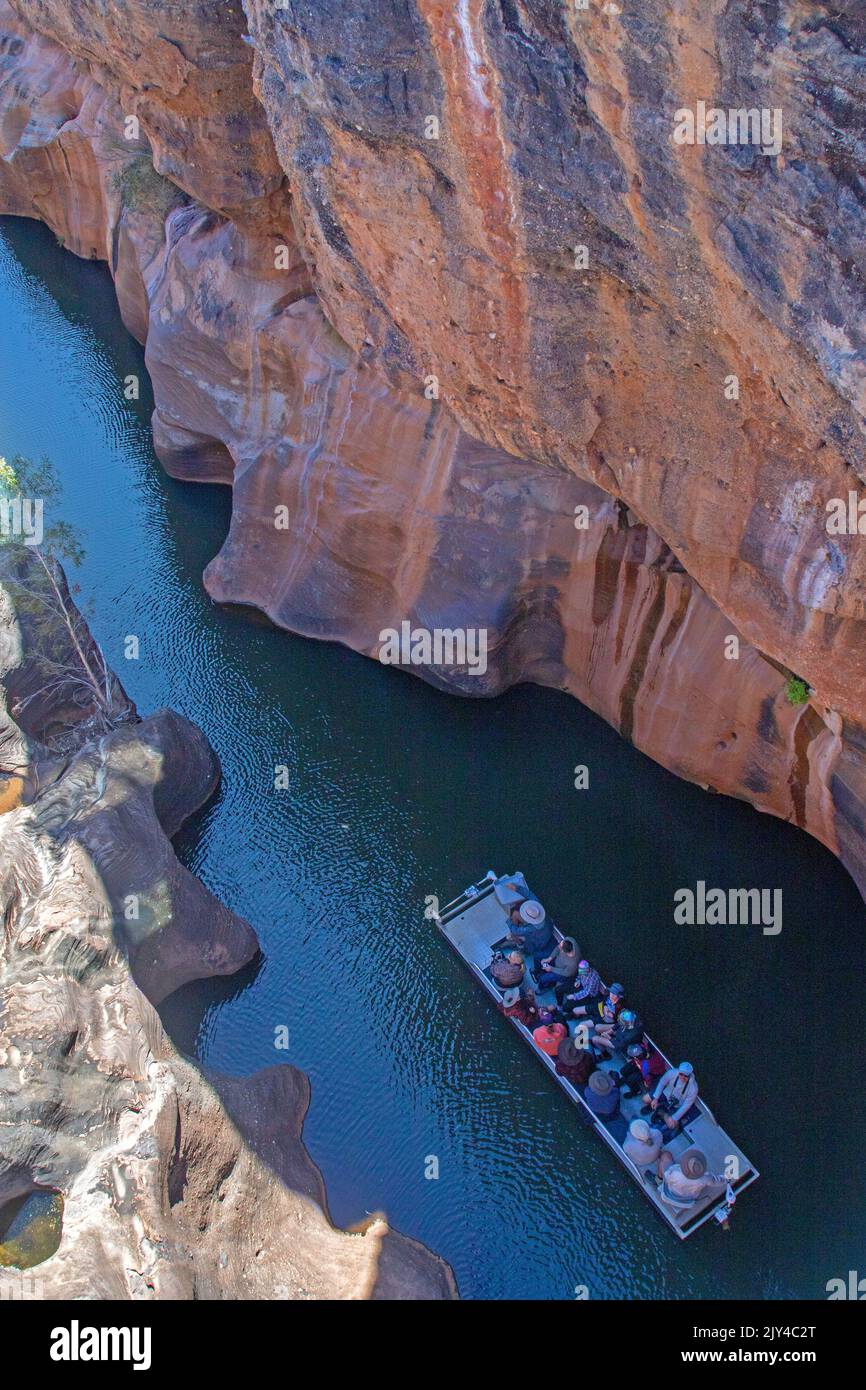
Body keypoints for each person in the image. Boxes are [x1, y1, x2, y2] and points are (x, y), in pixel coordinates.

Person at [643, 1061, 699, 1139]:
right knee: (645, 1099)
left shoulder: (693, 1088)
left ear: (689, 1076)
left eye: (685, 1076)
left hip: (677, 1105)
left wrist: (674, 1118)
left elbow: (687, 1105)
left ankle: (661, 1112)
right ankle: (655, 1106)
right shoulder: (672, 1073)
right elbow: (662, 1083)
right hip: (666, 1095)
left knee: (672, 1125)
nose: (682, 1077)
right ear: (678, 1072)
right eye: (681, 1074)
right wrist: (656, 1098)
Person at [657, 1147, 727, 1205]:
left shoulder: (675, 1173)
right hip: (688, 1198)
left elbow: (666, 1176)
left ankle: (659, 1179)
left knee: (665, 1155)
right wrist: (725, 1178)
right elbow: (717, 1182)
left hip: (671, 1192)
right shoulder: (705, 1178)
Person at [582, 1070, 627, 1142]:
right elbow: (616, 1095)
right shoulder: (615, 1093)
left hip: (594, 1109)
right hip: (608, 1113)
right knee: (615, 1074)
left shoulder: (588, 1091)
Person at [506, 899, 553, 964]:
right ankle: (517, 940)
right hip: (545, 932)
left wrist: (509, 922)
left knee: (514, 934)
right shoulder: (541, 915)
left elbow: (516, 931)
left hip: (537, 943)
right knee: (515, 914)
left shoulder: (531, 928)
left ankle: (521, 947)